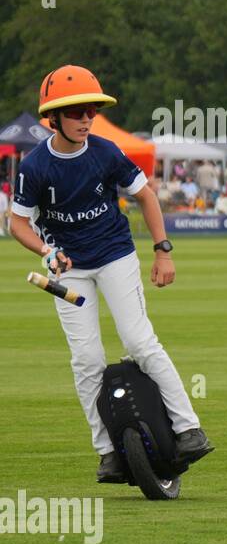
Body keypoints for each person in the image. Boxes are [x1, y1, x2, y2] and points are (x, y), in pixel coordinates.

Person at [8, 66, 212, 481]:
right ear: (54, 118)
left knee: (139, 340)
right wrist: (48, 251)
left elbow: (146, 197)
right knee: (87, 360)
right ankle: (108, 453)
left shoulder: (105, 153)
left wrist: (163, 251)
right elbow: (18, 223)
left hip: (116, 256)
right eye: (77, 111)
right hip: (69, 272)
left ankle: (189, 428)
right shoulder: (35, 166)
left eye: (91, 111)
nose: (86, 119)